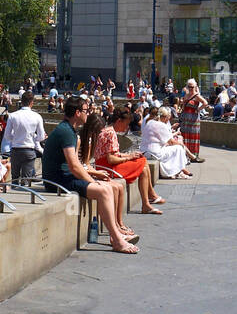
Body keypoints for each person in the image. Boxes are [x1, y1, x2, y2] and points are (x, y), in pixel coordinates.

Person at [42, 96, 138, 253]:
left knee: (110, 187)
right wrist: (92, 181)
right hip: (58, 181)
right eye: (86, 111)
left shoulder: (68, 130)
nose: (88, 114)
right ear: (78, 112)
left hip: (65, 178)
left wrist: (94, 177)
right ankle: (117, 239)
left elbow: (76, 165)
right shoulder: (66, 132)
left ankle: (116, 235)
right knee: (103, 190)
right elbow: (74, 166)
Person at [94, 106, 164, 215]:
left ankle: (148, 200)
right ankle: (148, 200)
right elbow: (111, 159)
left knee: (142, 161)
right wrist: (130, 157)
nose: (127, 128)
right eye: (126, 124)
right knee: (143, 164)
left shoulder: (107, 130)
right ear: (118, 121)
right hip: (108, 168)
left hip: (103, 165)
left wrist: (130, 155)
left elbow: (111, 154)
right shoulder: (110, 133)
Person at [142, 107, 193, 178]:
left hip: (145, 151)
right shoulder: (161, 125)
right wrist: (181, 145)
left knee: (173, 148)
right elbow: (171, 142)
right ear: (165, 117)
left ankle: (179, 170)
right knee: (179, 148)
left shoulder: (149, 122)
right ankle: (178, 171)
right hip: (155, 153)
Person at [178, 80, 208, 163]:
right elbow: (183, 105)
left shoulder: (197, 96)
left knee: (193, 136)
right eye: (189, 86)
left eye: (192, 87)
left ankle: (194, 155)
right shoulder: (186, 95)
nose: (190, 88)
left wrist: (198, 109)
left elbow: (205, 103)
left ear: (195, 87)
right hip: (185, 117)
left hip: (194, 119)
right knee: (185, 135)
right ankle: (185, 155)